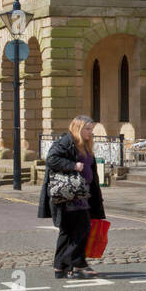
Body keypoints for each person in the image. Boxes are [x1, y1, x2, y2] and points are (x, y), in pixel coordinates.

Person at [38, 115, 105, 278]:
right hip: (69, 195)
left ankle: (61, 266)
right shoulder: (66, 142)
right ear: (78, 128)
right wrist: (73, 165)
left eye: (91, 129)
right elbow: (52, 159)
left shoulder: (85, 145)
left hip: (82, 194)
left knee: (69, 231)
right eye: (87, 129)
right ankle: (75, 263)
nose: (90, 132)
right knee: (80, 228)